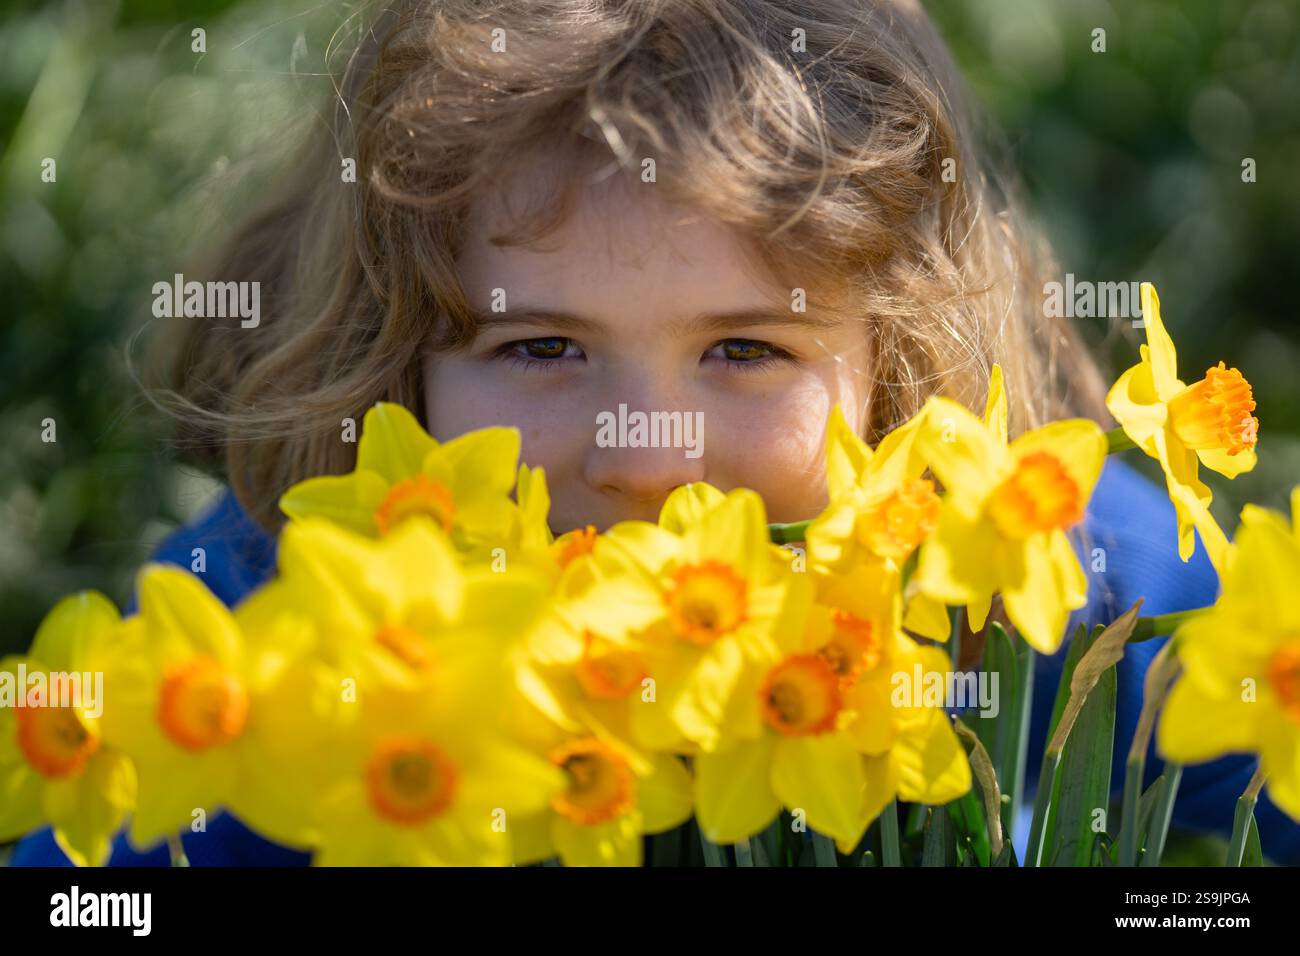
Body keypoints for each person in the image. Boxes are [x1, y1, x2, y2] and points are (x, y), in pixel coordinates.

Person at [11, 0, 1297, 865]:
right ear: (393, 364)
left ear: (898, 368)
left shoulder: (1073, 590)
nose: (638, 456)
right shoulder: (271, 626)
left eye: (745, 349)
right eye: (542, 347)